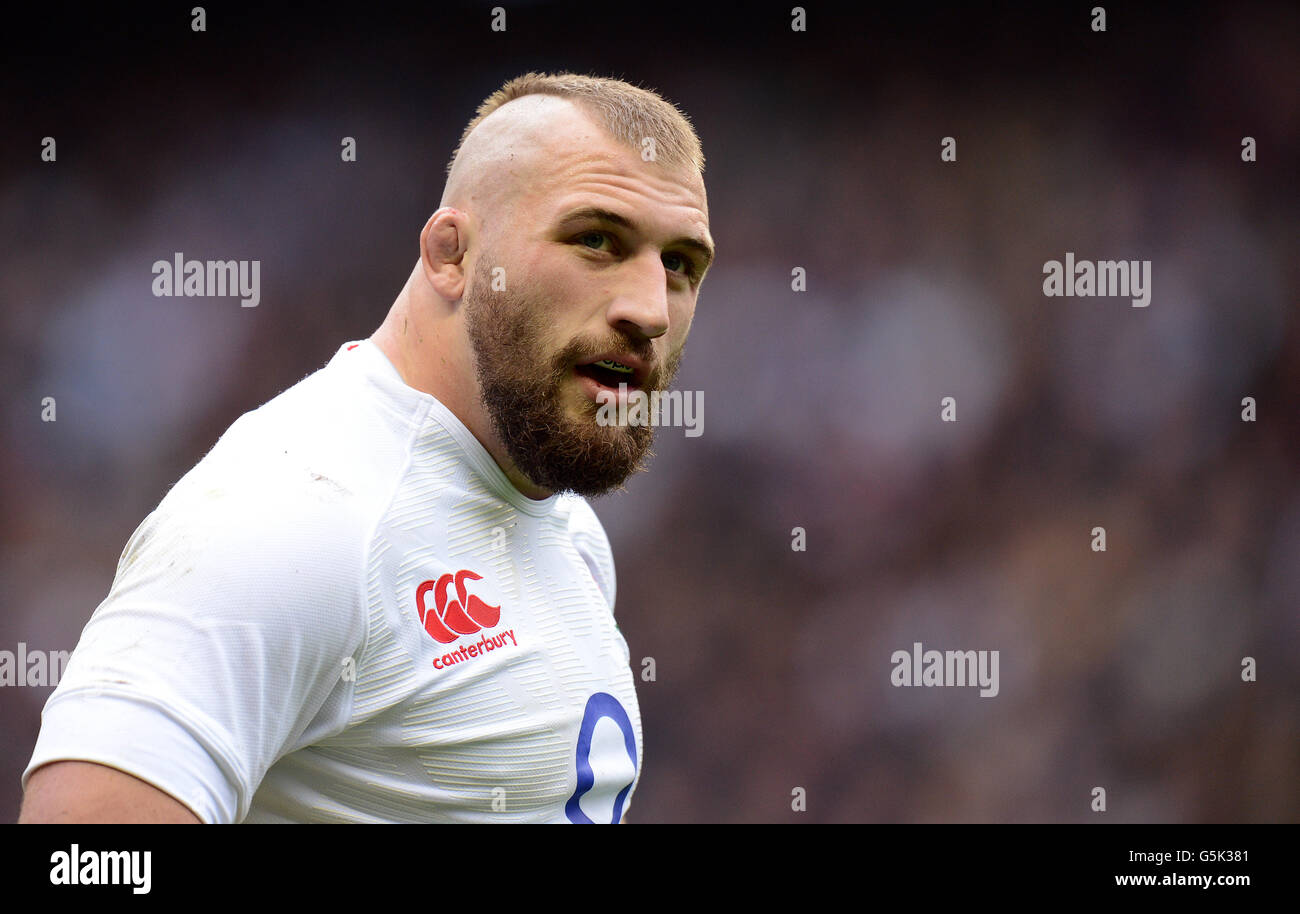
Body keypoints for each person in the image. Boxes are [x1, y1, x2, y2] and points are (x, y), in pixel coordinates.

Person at [19, 71, 715, 823]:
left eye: (680, 264)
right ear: (451, 254)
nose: (650, 309)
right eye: (595, 241)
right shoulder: (295, 516)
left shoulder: (563, 524)